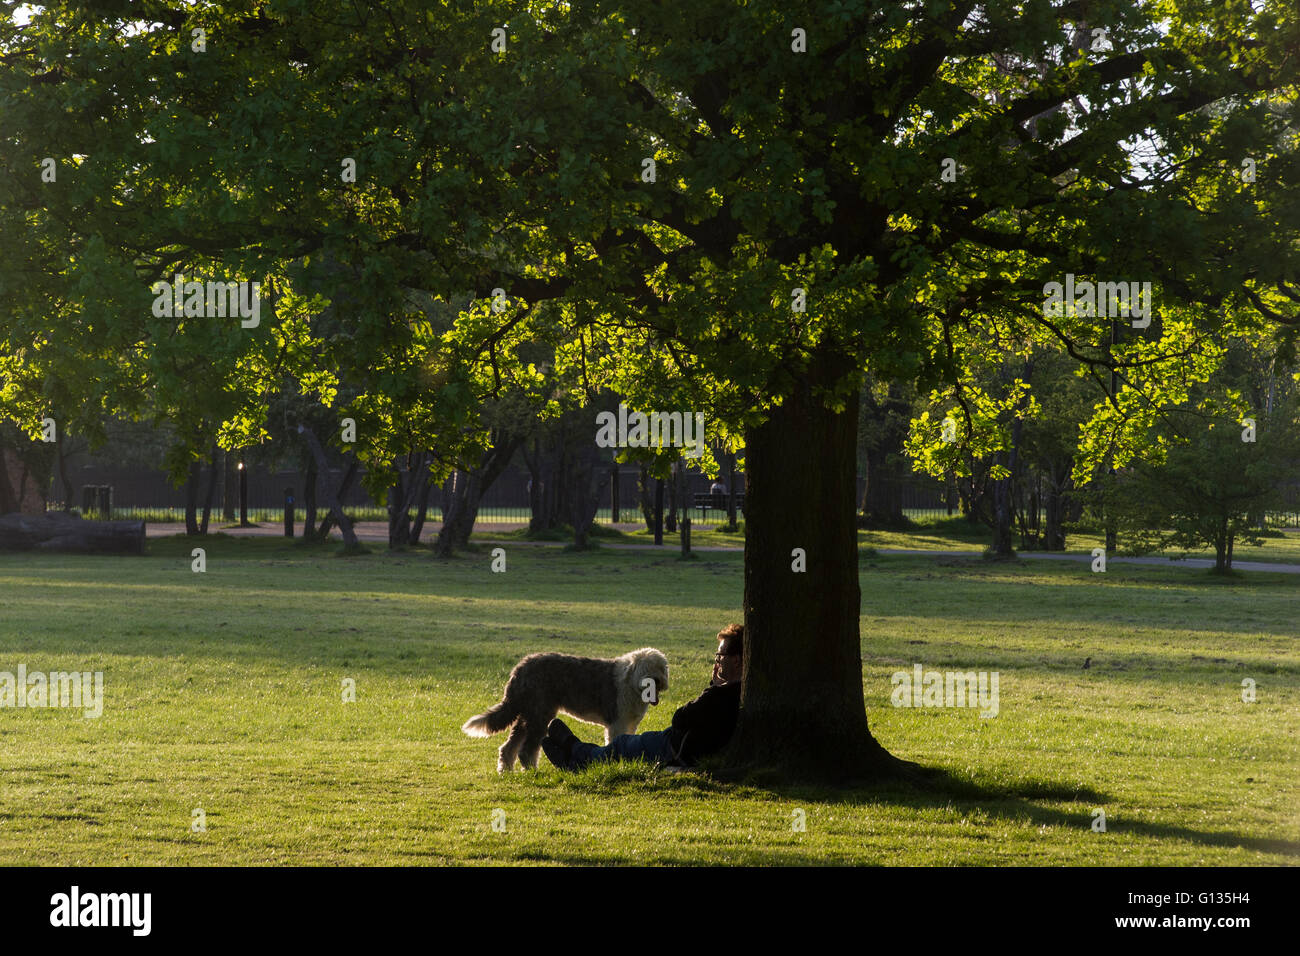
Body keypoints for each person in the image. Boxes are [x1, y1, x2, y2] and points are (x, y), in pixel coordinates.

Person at [542, 624, 743, 770]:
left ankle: (575, 754)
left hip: (671, 748)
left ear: (736, 660)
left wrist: (714, 687)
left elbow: (681, 718)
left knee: (621, 746)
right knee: (626, 745)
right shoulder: (734, 692)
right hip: (673, 744)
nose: (716, 662)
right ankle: (576, 753)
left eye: (720, 656)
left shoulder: (724, 694)